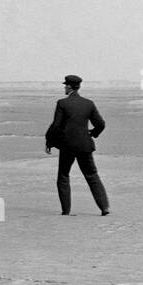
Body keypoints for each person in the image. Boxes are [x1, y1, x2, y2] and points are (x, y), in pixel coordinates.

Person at [44, 74, 110, 216]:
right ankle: (104, 208)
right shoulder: (88, 103)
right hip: (85, 145)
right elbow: (101, 124)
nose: (64, 88)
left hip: (67, 146)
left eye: (65, 86)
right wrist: (93, 133)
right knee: (92, 176)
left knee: (63, 176)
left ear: (69, 86)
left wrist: (49, 141)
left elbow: (56, 126)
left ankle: (66, 211)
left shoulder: (62, 103)